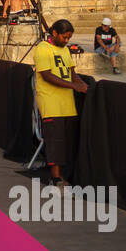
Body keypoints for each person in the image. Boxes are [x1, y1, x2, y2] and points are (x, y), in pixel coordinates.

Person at [32, 18, 87, 183]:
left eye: (68, 38)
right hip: (50, 101)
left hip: (67, 102)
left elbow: (71, 72)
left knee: (68, 141)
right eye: (64, 37)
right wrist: (74, 86)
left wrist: (82, 84)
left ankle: (67, 174)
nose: (66, 40)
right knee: (55, 140)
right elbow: (47, 75)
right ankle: (55, 177)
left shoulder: (65, 50)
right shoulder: (42, 48)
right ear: (54, 33)